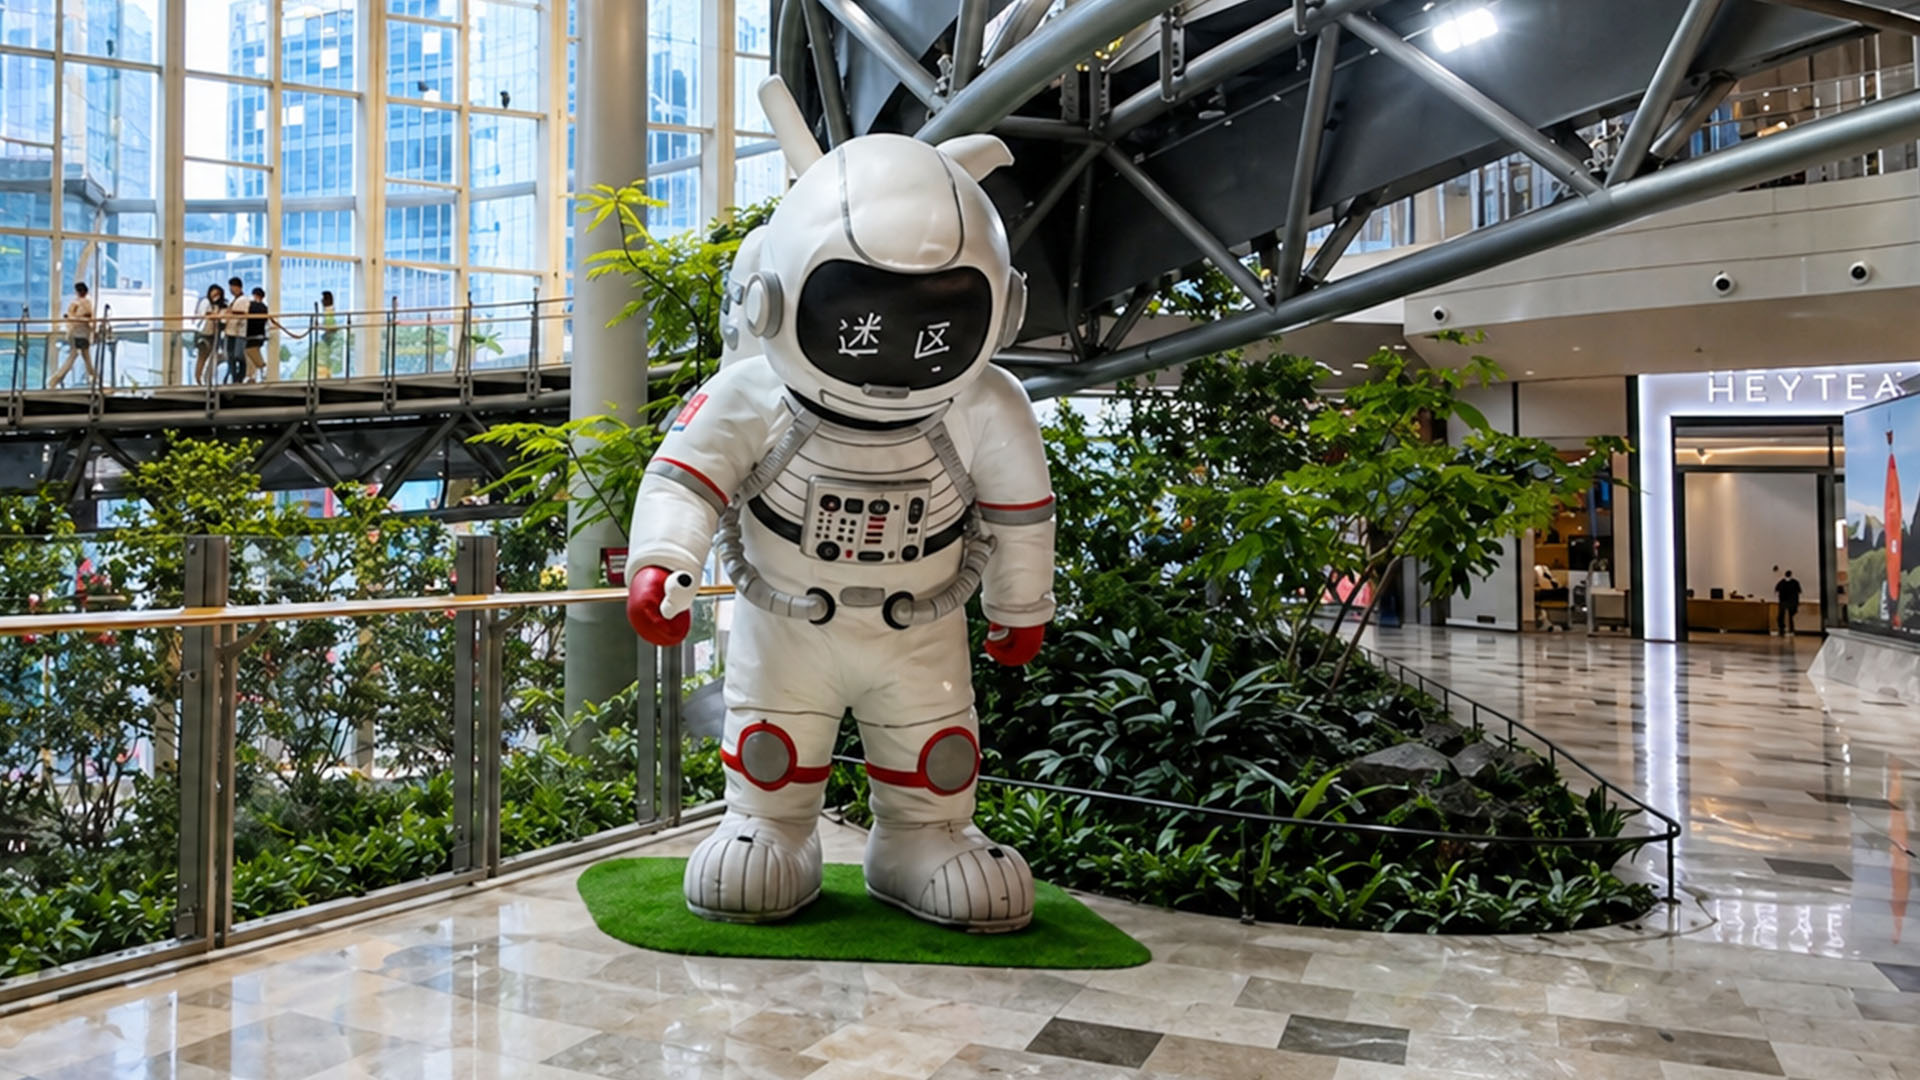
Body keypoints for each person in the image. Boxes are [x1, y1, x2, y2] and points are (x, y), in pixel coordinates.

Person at [47, 282, 96, 389]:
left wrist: (70, 318)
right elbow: (85, 318)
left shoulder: (81, 303)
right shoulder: (82, 303)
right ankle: (56, 379)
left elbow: (81, 317)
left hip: (78, 333)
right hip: (80, 333)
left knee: (79, 356)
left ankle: (56, 379)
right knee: (80, 357)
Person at [193, 284, 226, 385]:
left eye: (218, 294)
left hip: (214, 334)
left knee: (211, 357)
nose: (215, 296)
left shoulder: (218, 305)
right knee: (202, 356)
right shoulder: (206, 301)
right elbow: (206, 314)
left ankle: (207, 378)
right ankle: (198, 378)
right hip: (204, 333)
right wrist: (216, 315)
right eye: (214, 293)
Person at [223, 278, 250, 384]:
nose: (231, 289)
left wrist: (229, 314)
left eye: (232, 287)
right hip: (231, 332)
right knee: (232, 357)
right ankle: (234, 377)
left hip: (236, 332)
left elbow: (241, 314)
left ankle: (237, 378)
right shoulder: (235, 300)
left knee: (236, 356)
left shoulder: (242, 300)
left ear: (238, 287)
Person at [244, 287, 271, 381]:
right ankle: (252, 375)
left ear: (254, 295)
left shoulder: (251, 305)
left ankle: (261, 368)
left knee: (250, 352)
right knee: (253, 353)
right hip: (260, 334)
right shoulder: (264, 308)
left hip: (251, 334)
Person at [1775, 569, 1804, 636]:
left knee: (1783, 615)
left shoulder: (1782, 582)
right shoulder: (1794, 582)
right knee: (1790, 616)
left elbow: (1776, 591)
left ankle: (1784, 628)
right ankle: (1790, 629)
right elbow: (1799, 592)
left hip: (1785, 601)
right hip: (1791, 601)